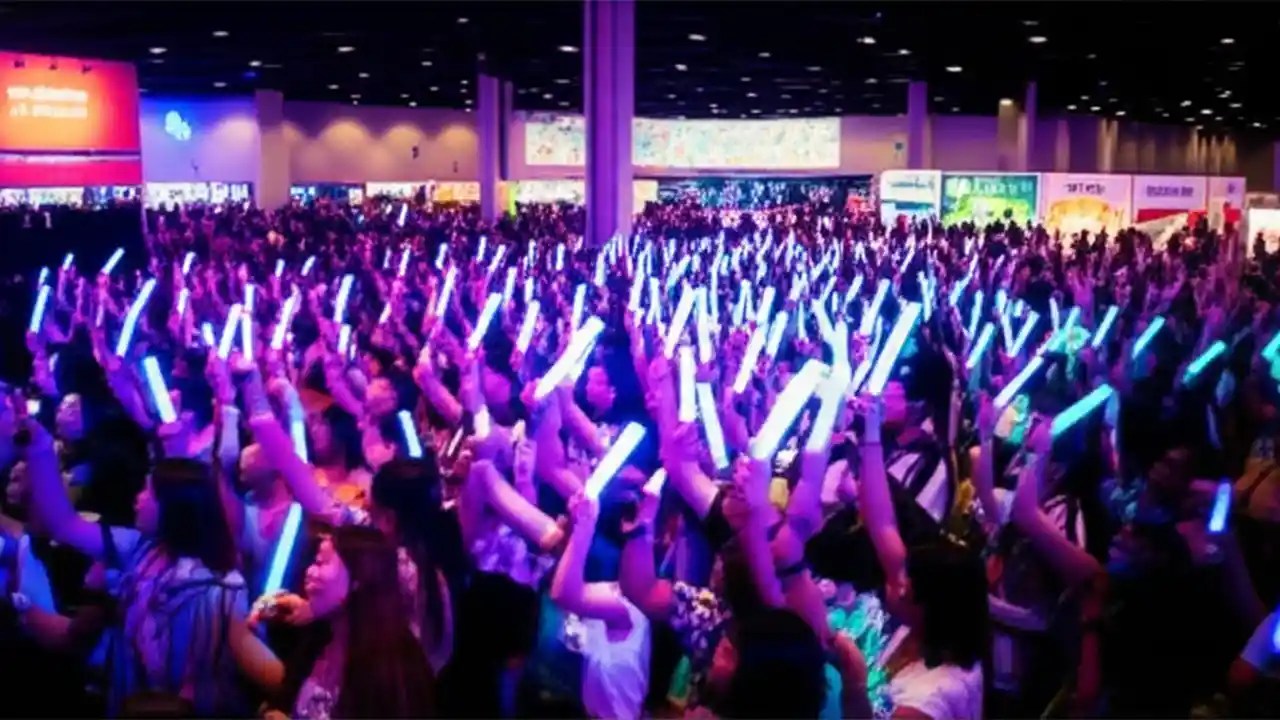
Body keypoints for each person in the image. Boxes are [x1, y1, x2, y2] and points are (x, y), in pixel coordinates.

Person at [248, 525, 437, 718]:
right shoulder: (319, 633)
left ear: (358, 580)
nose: (310, 571)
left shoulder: (393, 667)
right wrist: (266, 606)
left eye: (322, 563)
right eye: (315, 561)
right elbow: (284, 697)